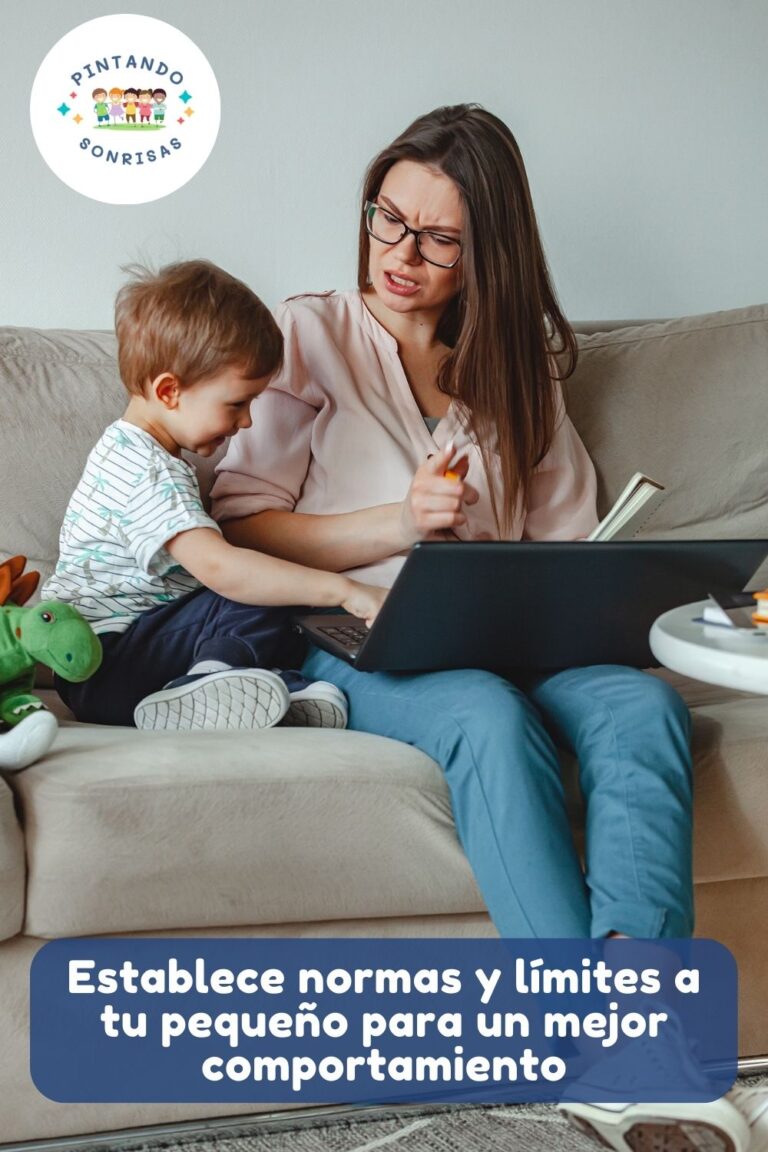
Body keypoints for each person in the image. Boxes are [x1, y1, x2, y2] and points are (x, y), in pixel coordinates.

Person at [211, 104, 767, 1150]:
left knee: (643, 705)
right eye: (388, 221)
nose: (401, 256)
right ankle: (609, 1055)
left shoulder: (521, 369)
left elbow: (563, 542)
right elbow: (242, 518)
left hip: (522, 631)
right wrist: (396, 523)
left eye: (438, 238)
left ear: (487, 251)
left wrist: (598, 589)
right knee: (485, 717)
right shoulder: (310, 336)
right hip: (363, 631)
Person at [43, 260, 385, 732]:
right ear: (169, 391)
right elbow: (222, 569)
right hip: (111, 664)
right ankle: (214, 678)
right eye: (236, 403)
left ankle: (259, 690)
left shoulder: (130, 453)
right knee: (250, 580)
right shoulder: (145, 470)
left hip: (118, 664)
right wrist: (343, 589)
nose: (246, 422)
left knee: (263, 589)